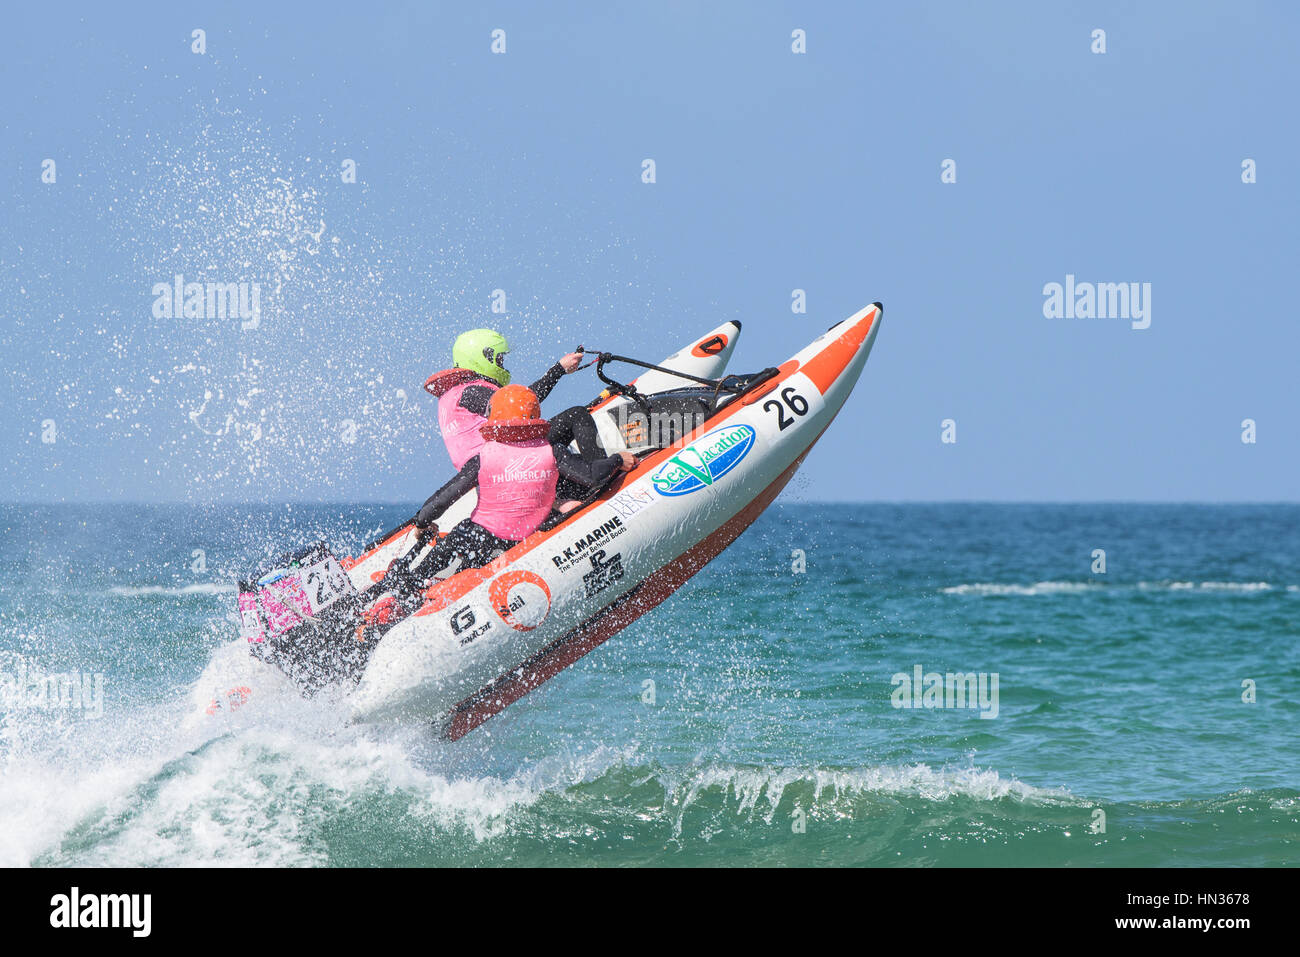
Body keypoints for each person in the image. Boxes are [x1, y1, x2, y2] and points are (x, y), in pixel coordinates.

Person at [376, 386, 634, 607]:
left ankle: (394, 600)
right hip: (514, 545)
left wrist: (422, 523)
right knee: (466, 580)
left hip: (471, 535)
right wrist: (616, 460)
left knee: (418, 579)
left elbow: (444, 498)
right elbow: (591, 476)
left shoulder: (483, 458)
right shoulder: (552, 452)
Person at [425, 328, 585, 470]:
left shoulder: (454, 393)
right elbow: (521, 404)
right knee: (576, 415)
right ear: (483, 358)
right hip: (503, 463)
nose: (502, 365)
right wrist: (558, 370)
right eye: (499, 360)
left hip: (485, 469)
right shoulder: (471, 392)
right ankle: (598, 476)